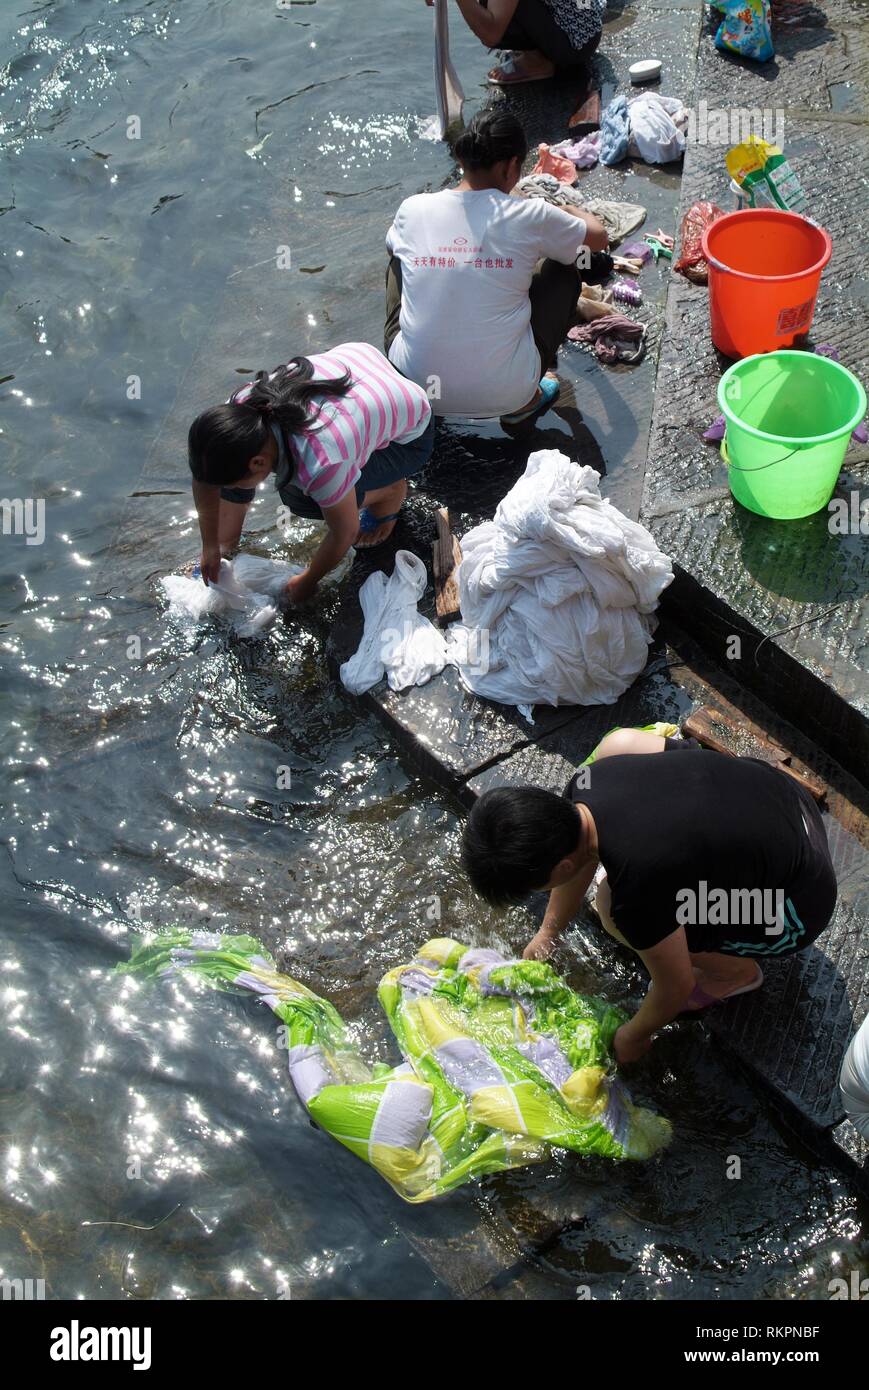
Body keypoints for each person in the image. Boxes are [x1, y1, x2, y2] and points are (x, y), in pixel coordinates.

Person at [461, 728, 838, 1065]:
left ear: (558, 868)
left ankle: (734, 974)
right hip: (786, 802)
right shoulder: (587, 783)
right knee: (618, 742)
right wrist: (548, 932)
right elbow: (579, 860)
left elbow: (674, 988)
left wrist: (632, 1035)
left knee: (612, 908)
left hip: (799, 905)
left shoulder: (637, 892)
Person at [385, 107, 607, 423]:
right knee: (562, 269)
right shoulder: (530, 214)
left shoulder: (413, 209)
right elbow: (598, 238)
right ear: (511, 166)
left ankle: (430, 385)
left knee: (398, 256)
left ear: (463, 160)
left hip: (416, 388)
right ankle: (525, 402)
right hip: (508, 392)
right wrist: (572, 209)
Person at [187, 342, 433, 603]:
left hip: (410, 434)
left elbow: (344, 531)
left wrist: (307, 580)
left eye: (235, 483)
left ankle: (389, 491)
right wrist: (210, 546)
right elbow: (204, 478)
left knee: (302, 499)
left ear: (259, 463)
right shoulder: (239, 411)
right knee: (225, 469)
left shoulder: (320, 460)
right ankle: (228, 540)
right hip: (364, 366)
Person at [427, 0, 604, 86]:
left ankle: (539, 61)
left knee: (488, 16)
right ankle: (536, 51)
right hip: (585, 21)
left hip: (576, 41)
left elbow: (490, 34)